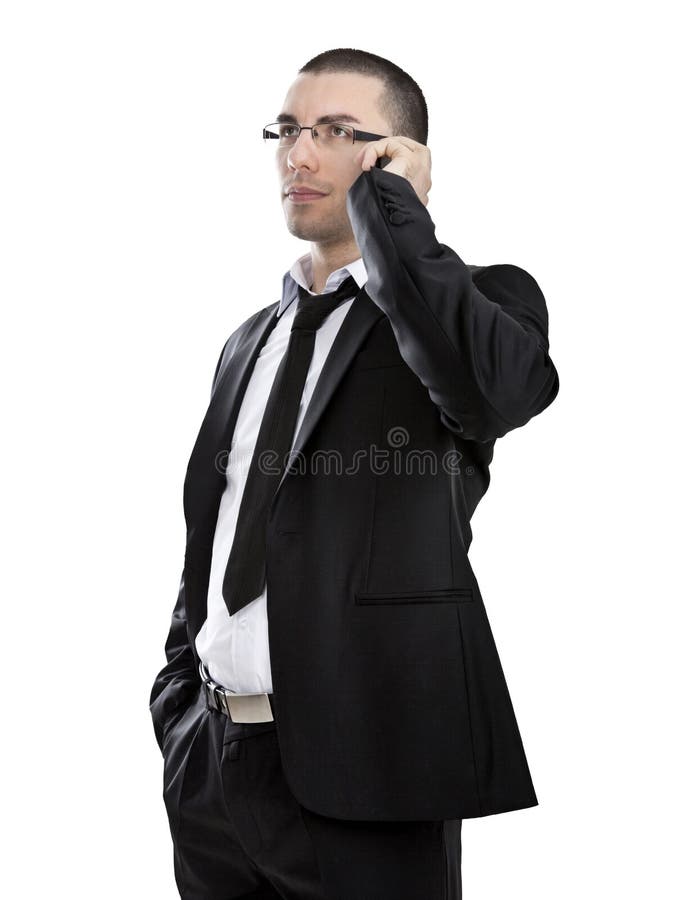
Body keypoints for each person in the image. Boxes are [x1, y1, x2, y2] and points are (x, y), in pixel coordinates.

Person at [149, 47, 559, 900]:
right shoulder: (249, 339)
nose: (299, 155)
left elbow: (498, 392)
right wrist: (179, 700)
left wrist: (396, 213)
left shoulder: (473, 304)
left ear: (397, 156)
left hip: (371, 771)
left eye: (337, 132)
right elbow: (215, 530)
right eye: (288, 130)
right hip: (211, 771)